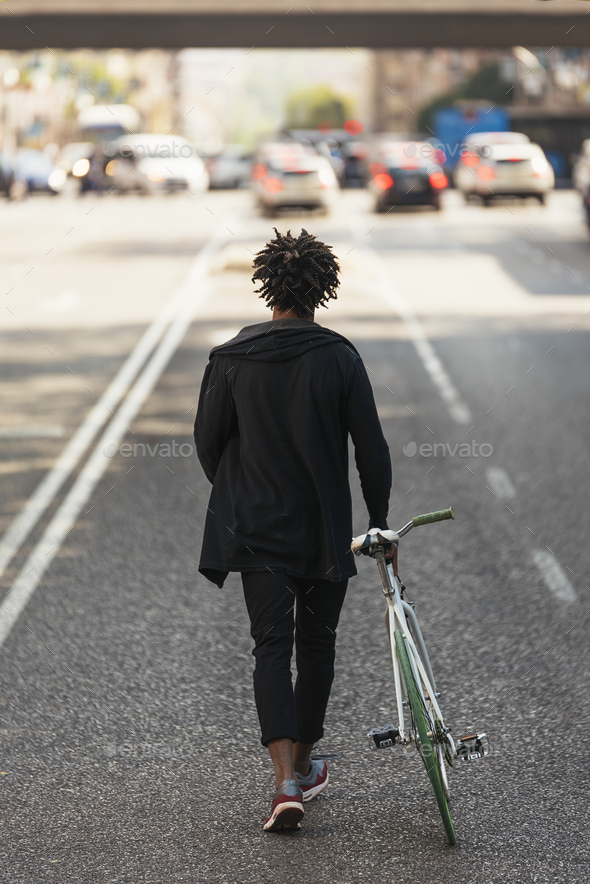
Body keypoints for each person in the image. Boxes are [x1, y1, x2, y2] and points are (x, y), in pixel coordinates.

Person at [194, 228, 392, 831]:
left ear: (266, 288)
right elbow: (372, 450)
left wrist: (239, 492)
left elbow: (208, 443)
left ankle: (284, 783)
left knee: (271, 648)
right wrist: (377, 520)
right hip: (323, 529)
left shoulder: (230, 357)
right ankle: (305, 764)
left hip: (254, 526)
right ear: (321, 290)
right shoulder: (339, 356)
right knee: (317, 645)